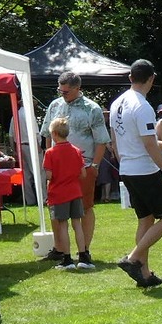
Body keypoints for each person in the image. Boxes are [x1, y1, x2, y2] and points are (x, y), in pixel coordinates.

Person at [106, 57, 162, 288]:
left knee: (145, 219)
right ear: (151, 79)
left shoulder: (117, 103)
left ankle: (145, 274)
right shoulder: (142, 106)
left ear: (131, 77)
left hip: (128, 168)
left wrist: (123, 164)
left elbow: (114, 140)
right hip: (143, 169)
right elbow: (150, 144)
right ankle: (133, 258)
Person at [41, 72, 111, 266]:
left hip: (84, 166)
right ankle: (60, 249)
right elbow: (47, 133)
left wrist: (94, 166)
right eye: (59, 90)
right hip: (58, 169)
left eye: (66, 91)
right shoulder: (55, 105)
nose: (62, 93)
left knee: (85, 208)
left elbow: (101, 140)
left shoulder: (92, 108)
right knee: (56, 209)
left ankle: (84, 250)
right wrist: (49, 158)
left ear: (77, 88)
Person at [42, 117, 89, 266]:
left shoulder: (50, 153)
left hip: (59, 193)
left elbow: (49, 175)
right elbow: (83, 174)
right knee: (77, 224)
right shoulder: (76, 151)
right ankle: (83, 256)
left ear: (54, 134)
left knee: (63, 225)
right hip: (75, 192)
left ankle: (67, 258)